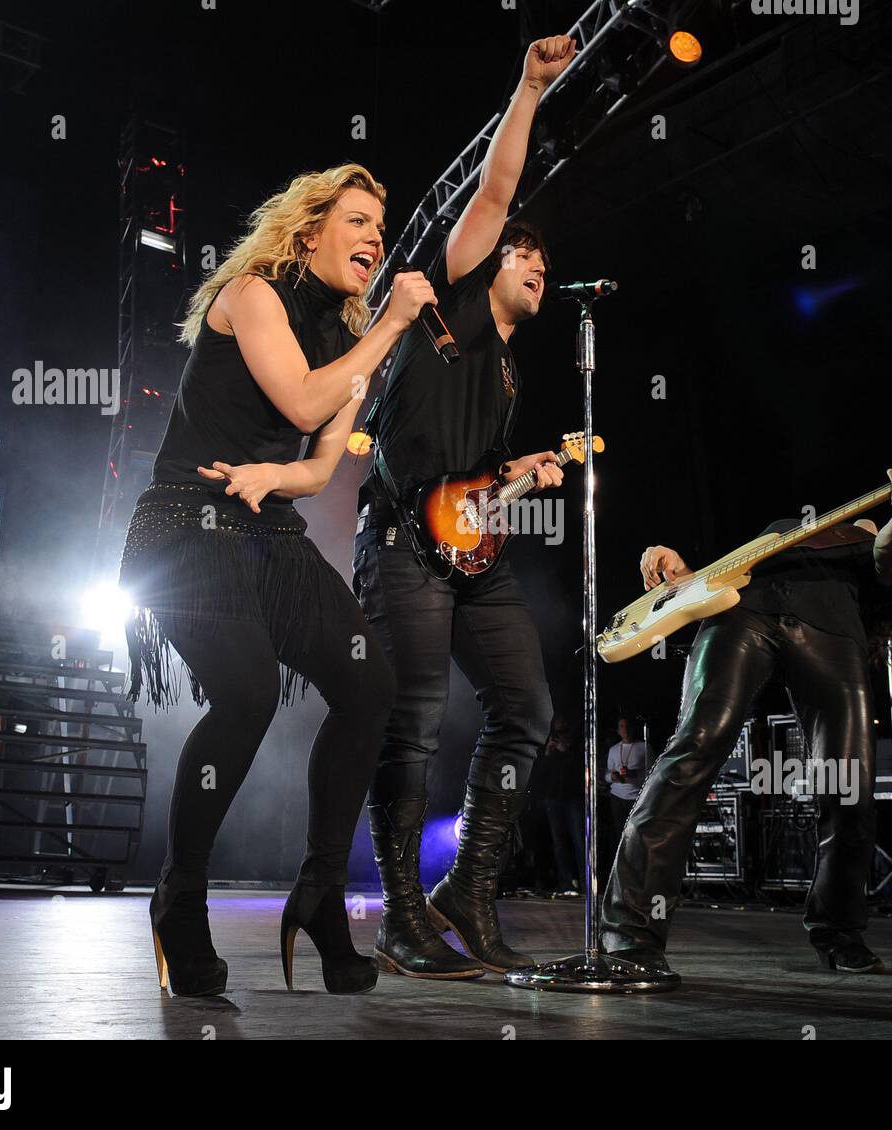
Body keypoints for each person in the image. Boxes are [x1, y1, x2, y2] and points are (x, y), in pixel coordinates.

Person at [118, 164, 436, 997]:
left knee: (371, 683)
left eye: (380, 225)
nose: (375, 237)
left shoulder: (348, 337)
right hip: (187, 522)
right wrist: (392, 325)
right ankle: (179, 897)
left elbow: (320, 463)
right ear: (307, 230)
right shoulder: (252, 293)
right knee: (249, 693)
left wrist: (272, 478)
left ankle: (323, 889)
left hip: (264, 524)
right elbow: (300, 405)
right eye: (358, 221)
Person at [355, 35, 578, 979]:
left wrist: (520, 471)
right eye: (521, 253)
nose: (533, 262)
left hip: (472, 557)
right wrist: (528, 90)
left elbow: (472, 481)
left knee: (526, 706)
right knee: (409, 719)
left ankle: (467, 892)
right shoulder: (448, 307)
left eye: (537, 256)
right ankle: (401, 911)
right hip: (402, 545)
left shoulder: (512, 371)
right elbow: (491, 194)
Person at [600, 461, 892, 980]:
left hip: (830, 627)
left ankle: (838, 929)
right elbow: (711, 587)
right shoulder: (777, 534)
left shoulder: (869, 532)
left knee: (849, 778)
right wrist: (679, 572)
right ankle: (630, 932)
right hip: (741, 612)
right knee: (694, 746)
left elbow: (891, 562)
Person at [535, 715, 585, 895]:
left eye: (562, 720)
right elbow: (541, 773)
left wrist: (568, 751)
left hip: (573, 798)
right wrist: (548, 753)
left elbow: (582, 768)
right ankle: (566, 883)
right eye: (557, 721)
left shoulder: (579, 743)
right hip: (554, 798)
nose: (559, 723)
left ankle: (586, 883)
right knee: (559, 843)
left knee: (579, 841)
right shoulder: (550, 742)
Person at [606, 716, 647, 854]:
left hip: (637, 797)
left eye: (627, 726)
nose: (625, 730)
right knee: (619, 834)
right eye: (622, 726)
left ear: (633, 728)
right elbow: (607, 774)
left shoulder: (644, 747)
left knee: (636, 834)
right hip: (617, 797)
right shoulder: (613, 749)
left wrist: (634, 774)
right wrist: (612, 777)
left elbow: (654, 772)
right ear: (618, 731)